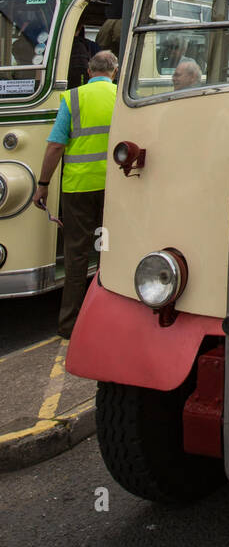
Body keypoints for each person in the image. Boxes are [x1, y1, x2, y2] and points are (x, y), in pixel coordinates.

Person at [32, 51, 118, 338]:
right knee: (109, 251)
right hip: (113, 187)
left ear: (89, 71)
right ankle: (107, 318)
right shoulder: (121, 97)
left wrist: (43, 183)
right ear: (114, 71)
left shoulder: (72, 98)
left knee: (77, 257)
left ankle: (70, 324)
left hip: (78, 188)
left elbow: (56, 146)